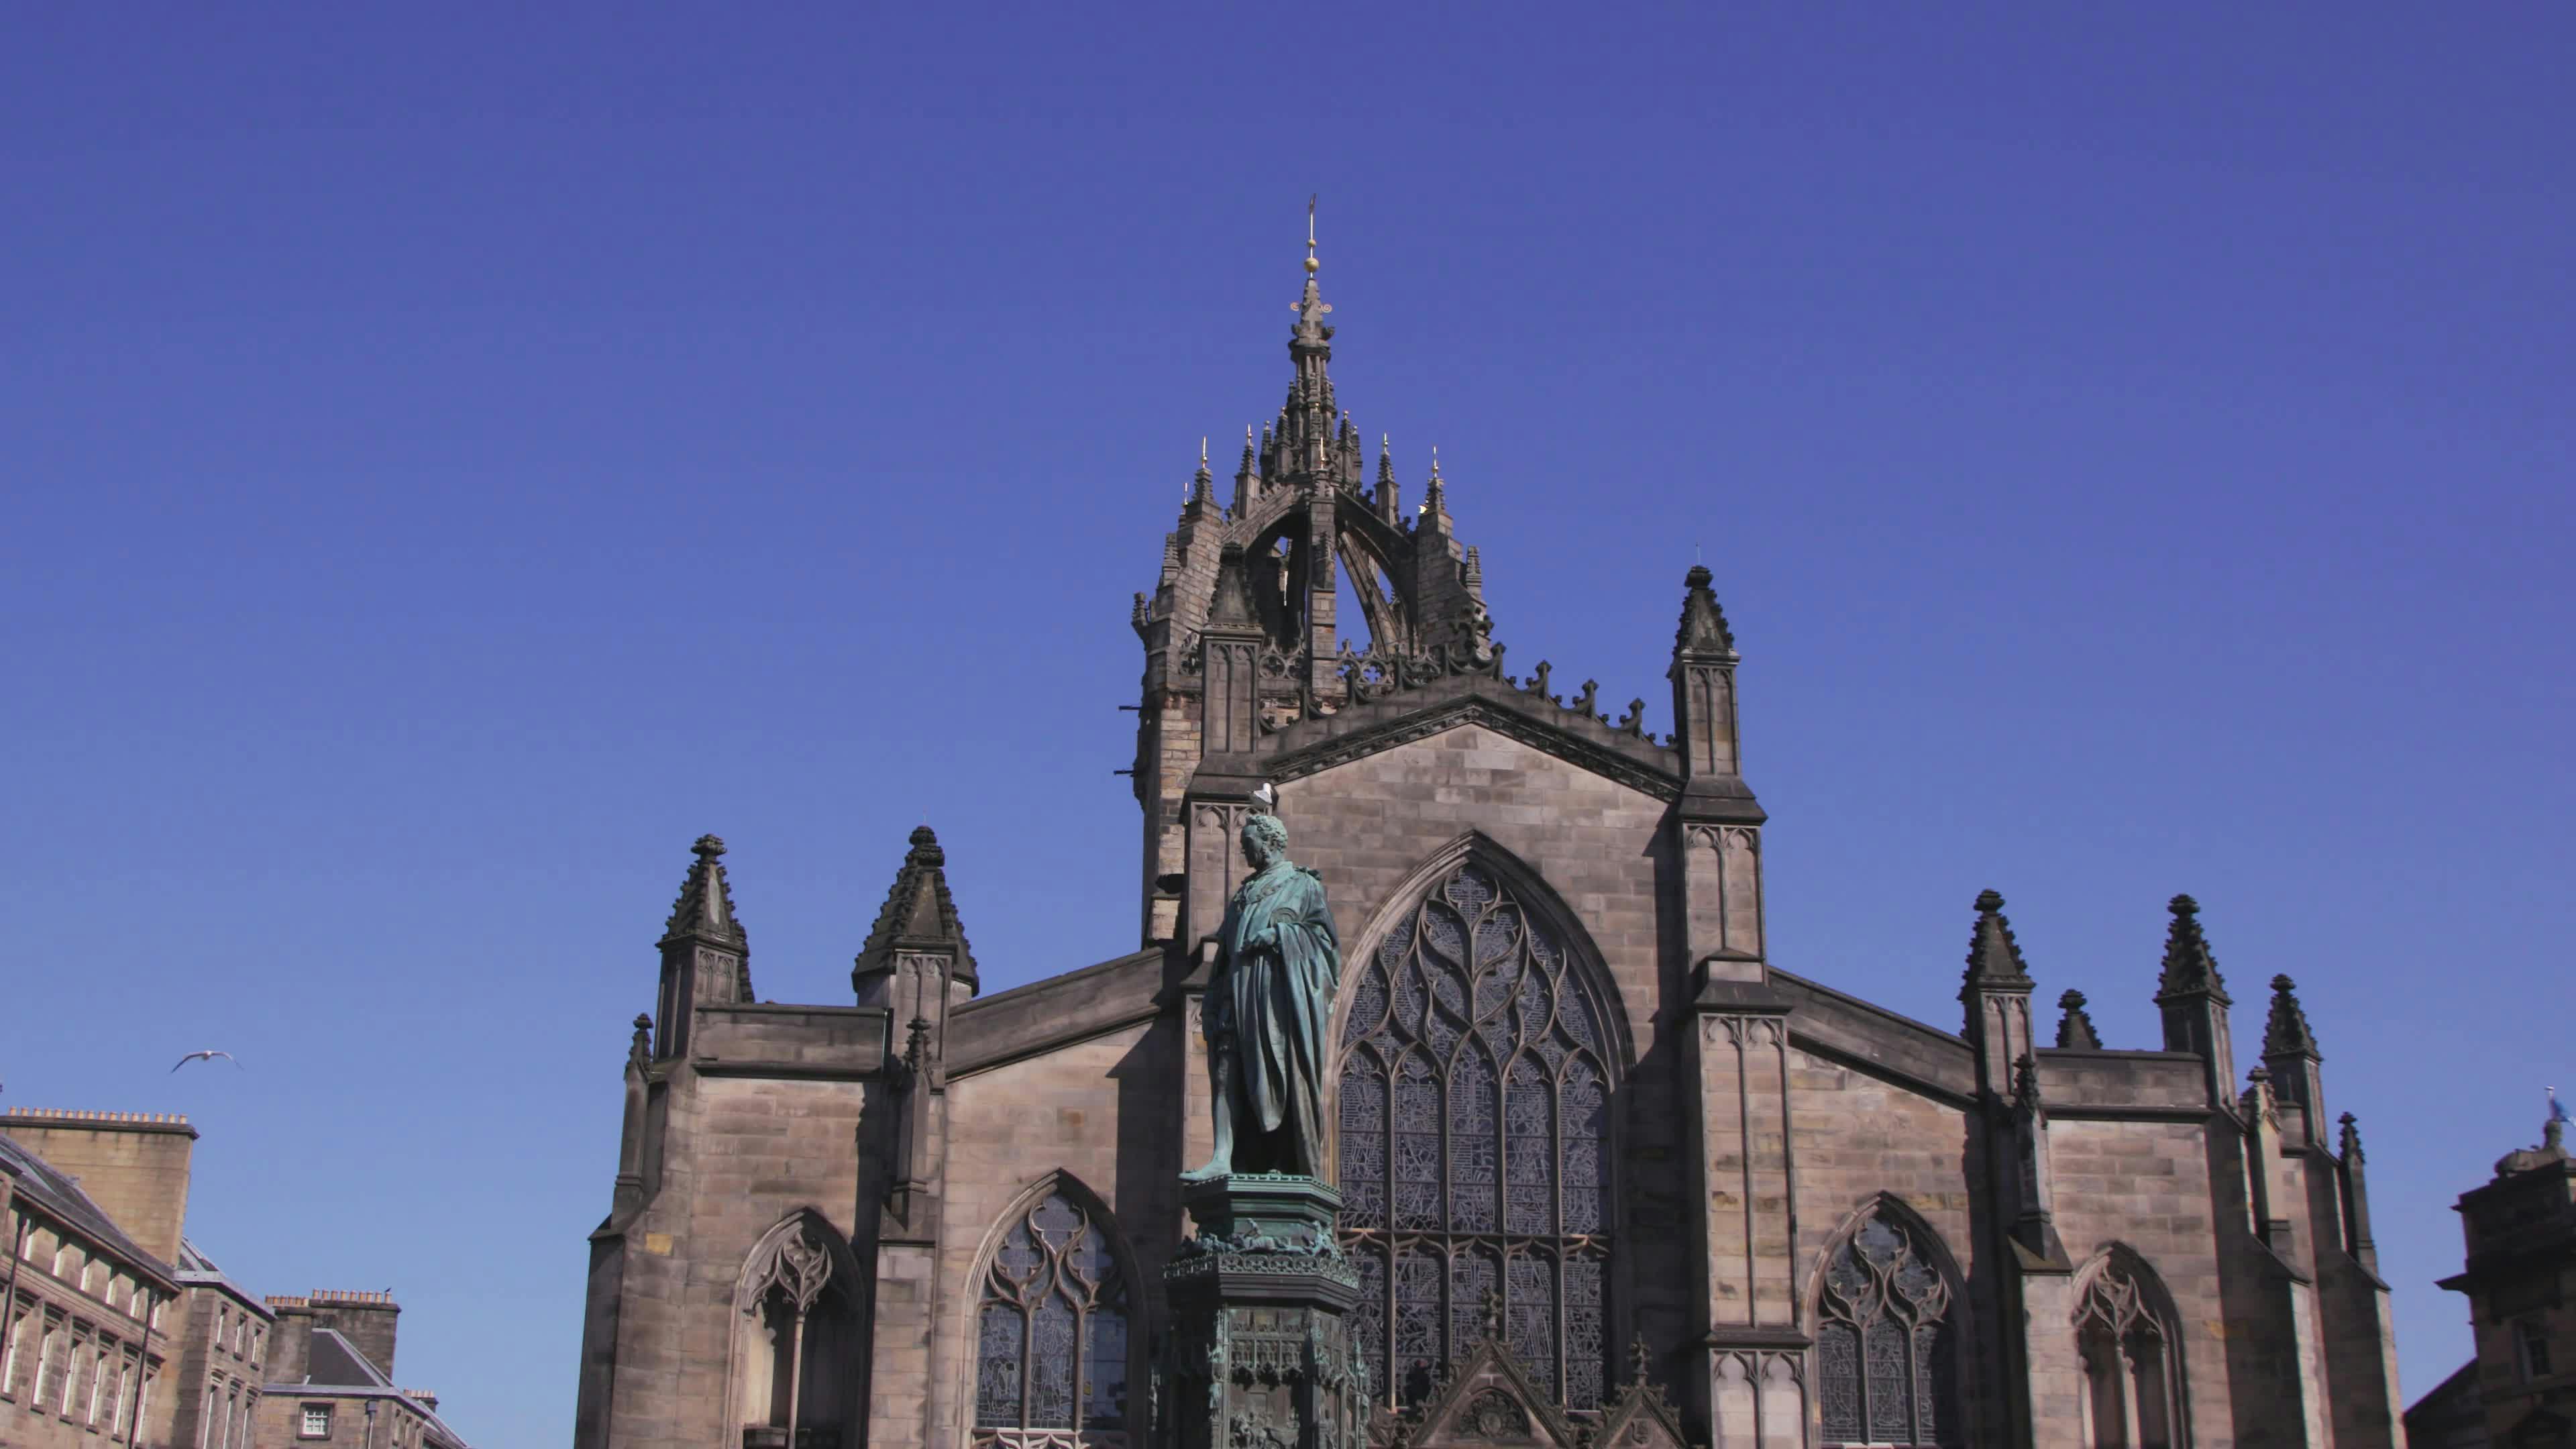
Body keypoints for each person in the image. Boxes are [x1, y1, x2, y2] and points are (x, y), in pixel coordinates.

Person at [1184, 809, 1340, 1180]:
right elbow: (1223, 950)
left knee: (1277, 1075)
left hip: (1277, 1001)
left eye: (1248, 844)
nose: (1244, 852)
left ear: (1270, 843)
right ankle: (1222, 1157)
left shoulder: (1303, 886)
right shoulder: (1244, 893)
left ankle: (1281, 1158)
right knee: (1225, 1075)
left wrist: (1280, 936)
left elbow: (1326, 946)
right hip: (1236, 996)